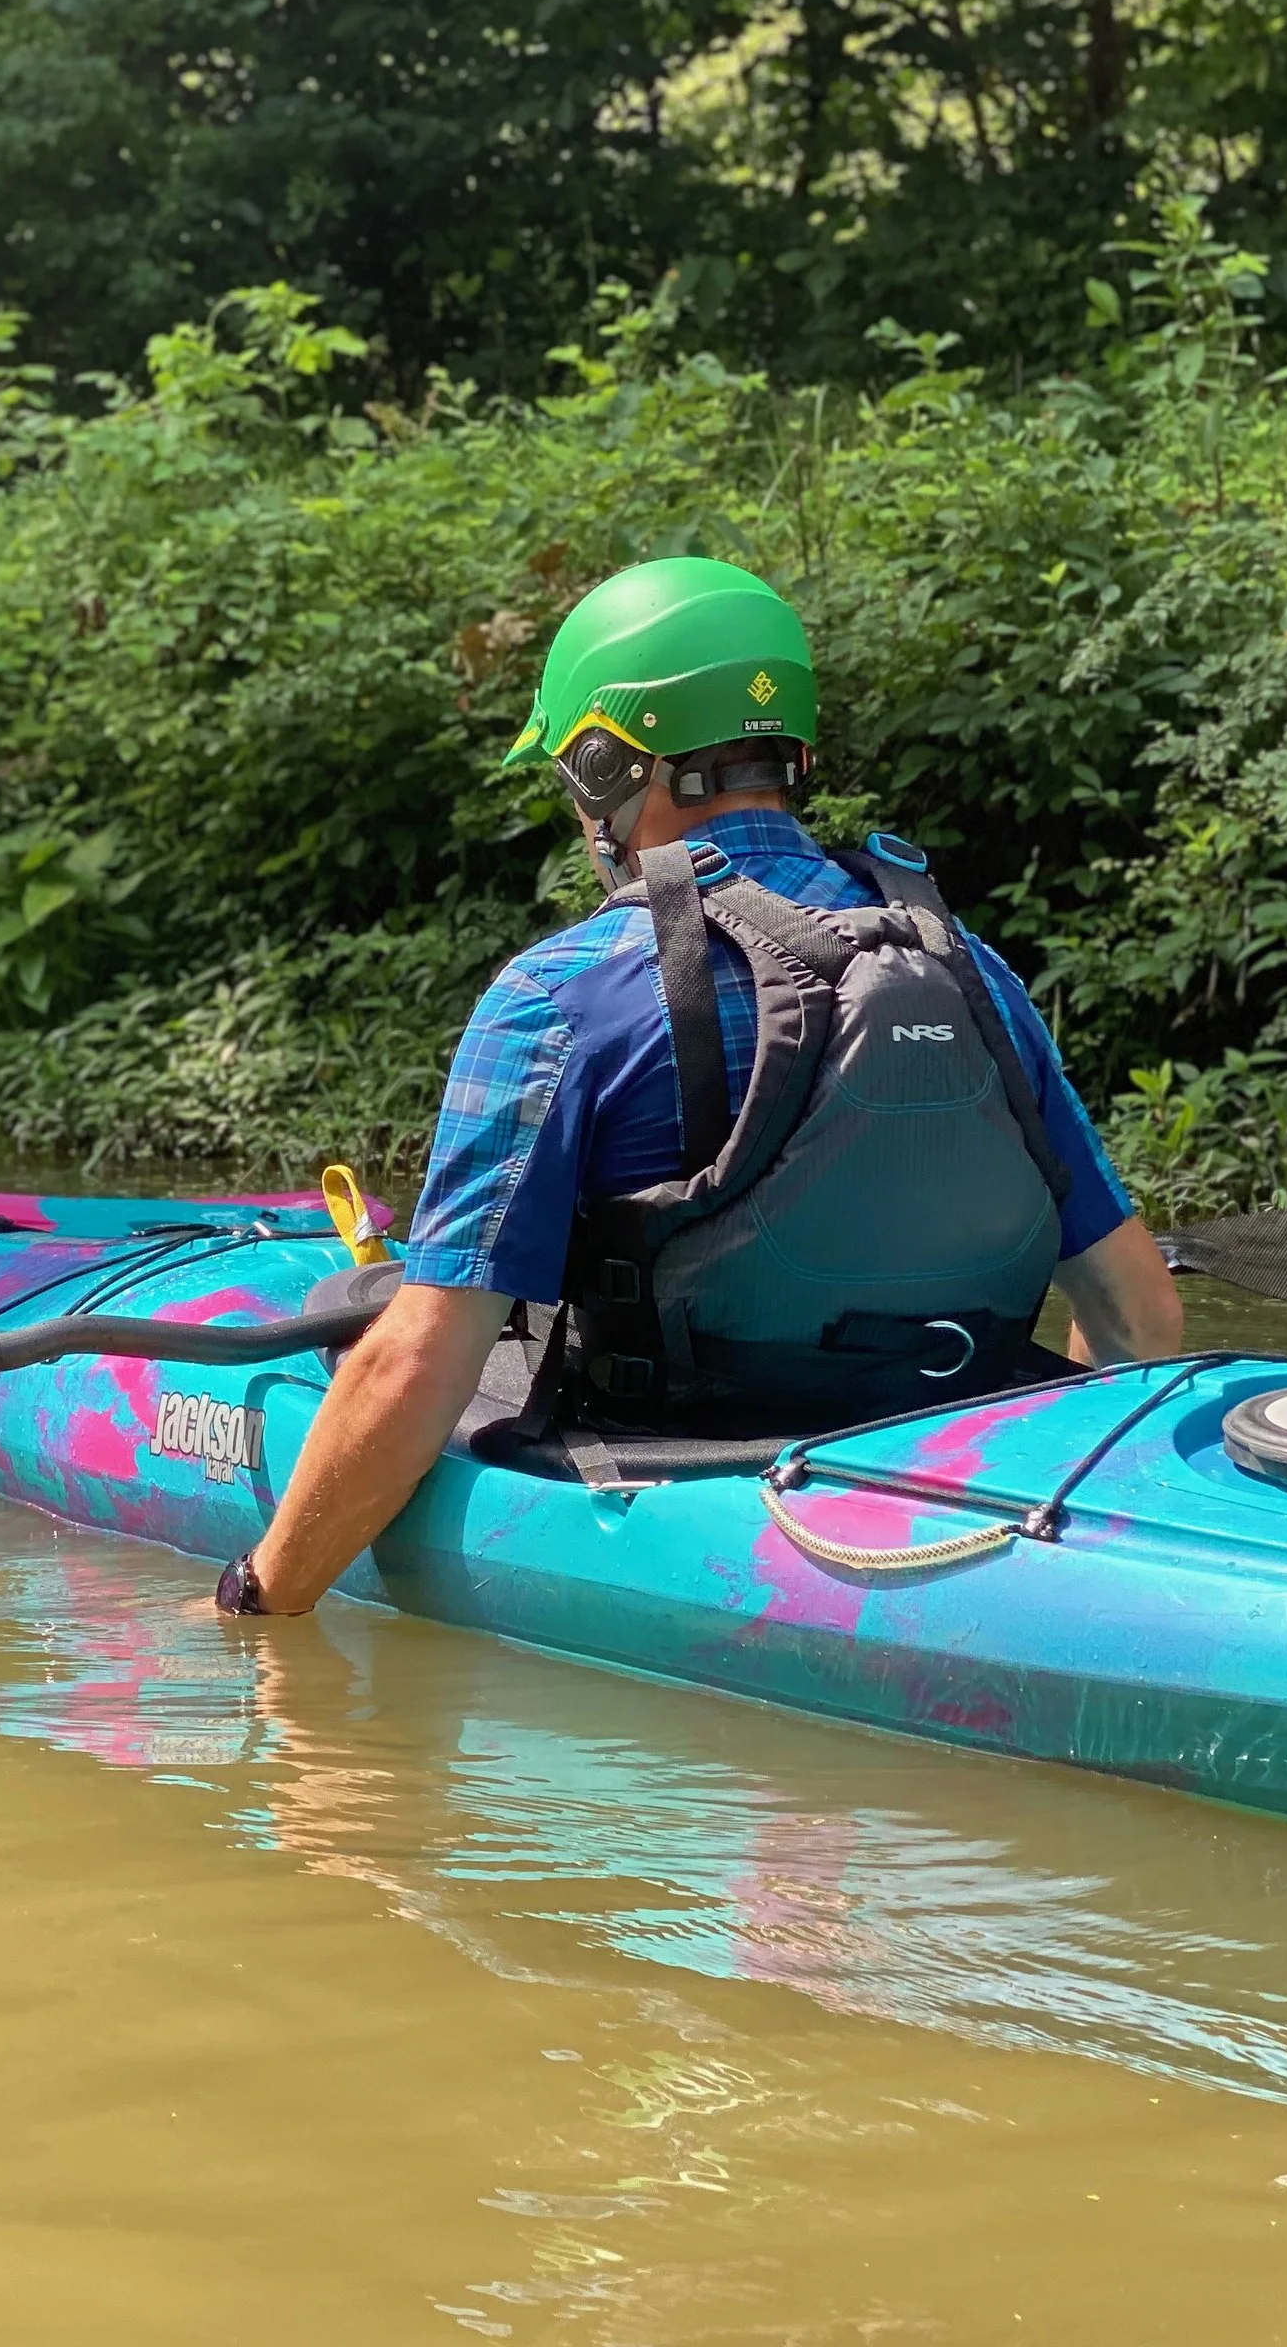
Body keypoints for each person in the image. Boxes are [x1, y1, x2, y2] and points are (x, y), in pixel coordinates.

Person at [215, 556, 1184, 1618]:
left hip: (682, 1473)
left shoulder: (556, 994)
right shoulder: (965, 967)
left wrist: (259, 1599)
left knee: (370, 1333)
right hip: (959, 1474)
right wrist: (1066, 1527)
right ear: (794, 753)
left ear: (598, 767)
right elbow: (1136, 1318)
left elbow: (418, 1365)